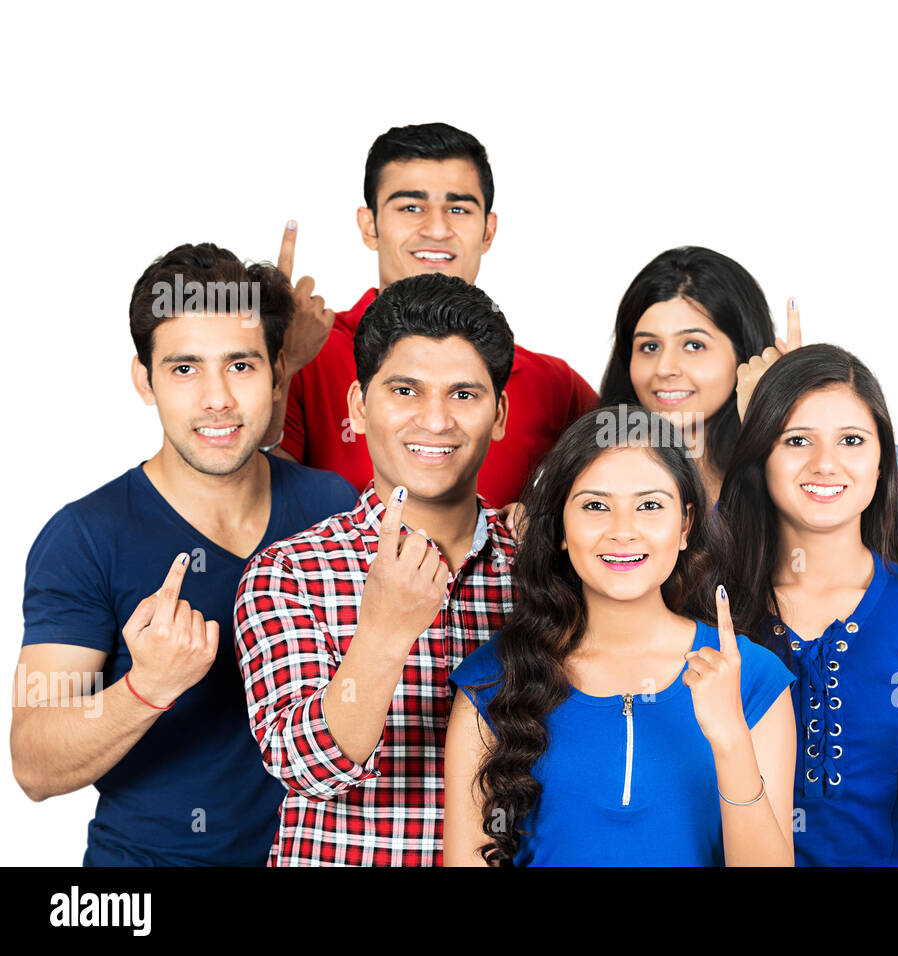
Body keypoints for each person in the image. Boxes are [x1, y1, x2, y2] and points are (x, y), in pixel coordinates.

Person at [12, 243, 356, 865]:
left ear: (279, 372)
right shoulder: (86, 536)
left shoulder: (331, 504)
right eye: (184, 368)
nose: (217, 398)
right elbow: (34, 764)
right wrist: (147, 686)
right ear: (144, 379)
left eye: (241, 366)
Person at [234, 272, 516, 866]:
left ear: (500, 414)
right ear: (359, 407)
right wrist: (384, 634)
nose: (435, 420)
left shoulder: (539, 575)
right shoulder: (288, 574)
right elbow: (304, 766)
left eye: (463, 394)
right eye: (405, 391)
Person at [443, 406, 796, 866]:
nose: (623, 531)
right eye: (595, 505)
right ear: (562, 530)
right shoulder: (490, 682)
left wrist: (730, 738)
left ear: (685, 525)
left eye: (649, 506)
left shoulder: (754, 678)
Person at [718, 344, 898, 866]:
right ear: (761, 457)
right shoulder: (717, 606)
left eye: (851, 440)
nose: (826, 463)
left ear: (882, 460)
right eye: (797, 440)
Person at [266, 122, 597, 508]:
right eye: (411, 207)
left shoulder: (551, 383)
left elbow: (638, 465)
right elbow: (259, 501)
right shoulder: (308, 351)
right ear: (369, 225)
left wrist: (544, 524)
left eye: (458, 208)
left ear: (488, 230)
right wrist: (271, 358)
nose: (437, 229)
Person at [597, 246, 778, 505]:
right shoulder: (591, 473)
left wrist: (790, 409)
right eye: (650, 347)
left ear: (744, 355)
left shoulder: (783, 473)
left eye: (693, 345)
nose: (664, 368)